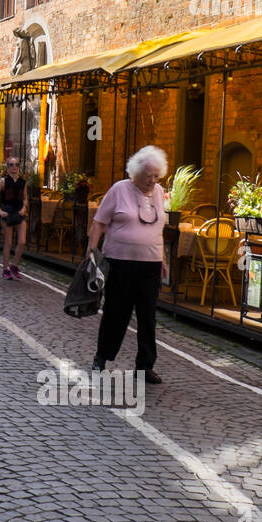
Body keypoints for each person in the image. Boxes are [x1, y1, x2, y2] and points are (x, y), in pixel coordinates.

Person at [87, 145, 170, 385]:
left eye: (156, 176)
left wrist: (163, 259)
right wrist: (92, 252)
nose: (152, 181)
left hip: (150, 265)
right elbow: (99, 223)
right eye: (148, 177)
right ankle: (101, 358)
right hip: (120, 263)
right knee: (116, 312)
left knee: (147, 317)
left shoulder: (158, 192)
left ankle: (144, 367)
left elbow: (159, 229)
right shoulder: (118, 190)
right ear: (135, 173)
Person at [0, 156, 28, 280]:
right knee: (8, 242)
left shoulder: (23, 182)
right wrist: (0, 211)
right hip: (7, 213)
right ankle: (5, 269)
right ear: (7, 167)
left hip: (19, 213)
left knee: (22, 241)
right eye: (11, 165)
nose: (14, 167)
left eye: (16, 164)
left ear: (19, 167)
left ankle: (14, 265)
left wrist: (24, 208)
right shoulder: (3, 181)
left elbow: (25, 198)